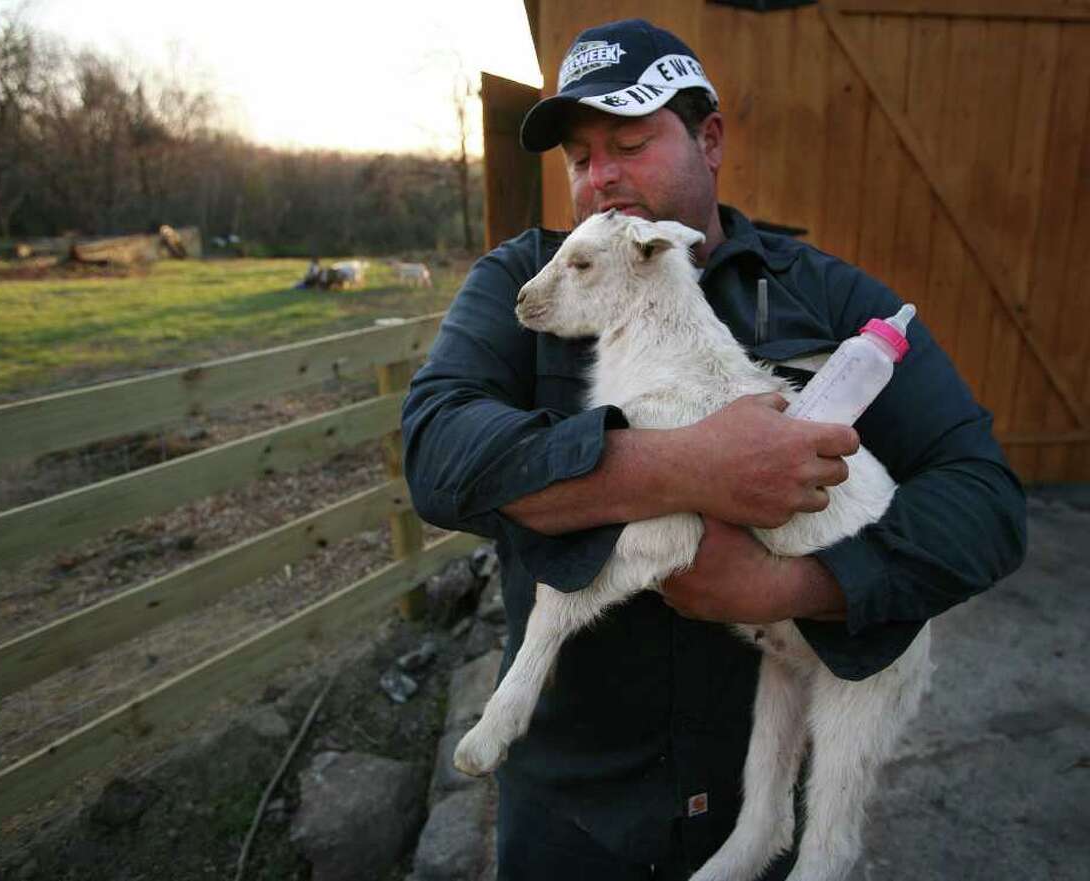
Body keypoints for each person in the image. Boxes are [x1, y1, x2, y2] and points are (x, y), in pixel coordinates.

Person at [401, 18, 1026, 881]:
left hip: (751, 805)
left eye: (629, 140)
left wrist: (799, 586)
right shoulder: (528, 286)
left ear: (710, 138)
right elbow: (438, 453)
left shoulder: (826, 299)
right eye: (581, 158)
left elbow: (984, 497)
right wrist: (696, 465)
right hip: (571, 804)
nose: (603, 177)